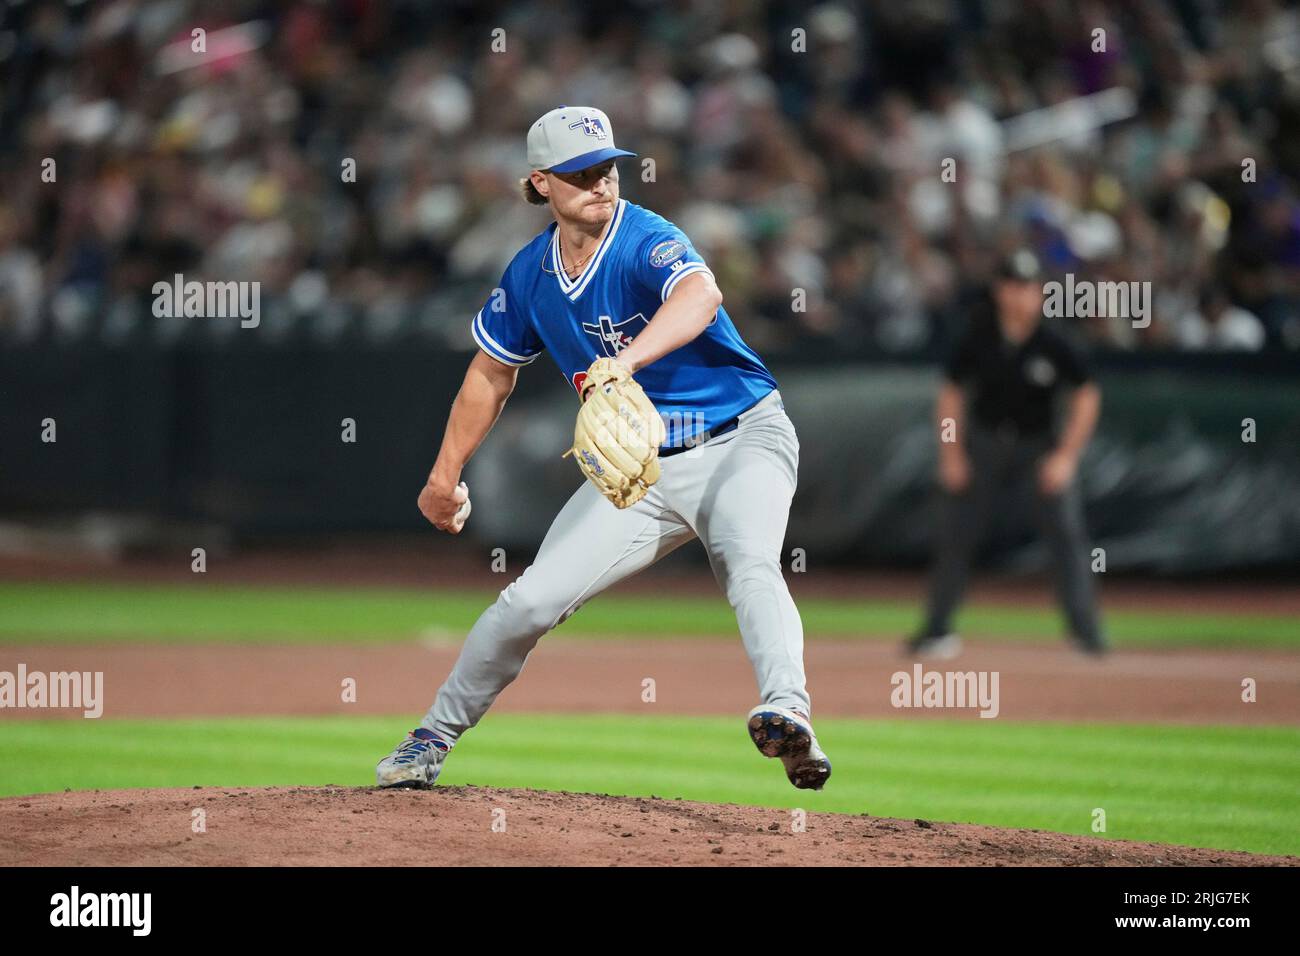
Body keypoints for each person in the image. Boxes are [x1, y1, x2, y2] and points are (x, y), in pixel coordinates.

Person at [376, 107, 831, 791]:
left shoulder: (647, 237)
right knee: (529, 603)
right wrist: (444, 475)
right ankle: (429, 738)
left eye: (607, 168)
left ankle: (787, 712)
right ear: (540, 183)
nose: (600, 182)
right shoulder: (530, 275)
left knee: (748, 558)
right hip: (642, 473)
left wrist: (628, 360)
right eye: (579, 173)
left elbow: (700, 296)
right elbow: (490, 373)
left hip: (742, 436)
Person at [907, 249, 1106, 658]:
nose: (1021, 296)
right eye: (1014, 286)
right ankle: (937, 630)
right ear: (999, 291)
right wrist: (951, 454)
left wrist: (1066, 456)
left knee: (1067, 537)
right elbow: (950, 394)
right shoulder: (978, 336)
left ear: (1041, 293)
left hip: (1039, 447)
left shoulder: (1055, 341)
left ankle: (1086, 633)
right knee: (955, 536)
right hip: (985, 443)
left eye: (1029, 288)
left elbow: (1086, 395)